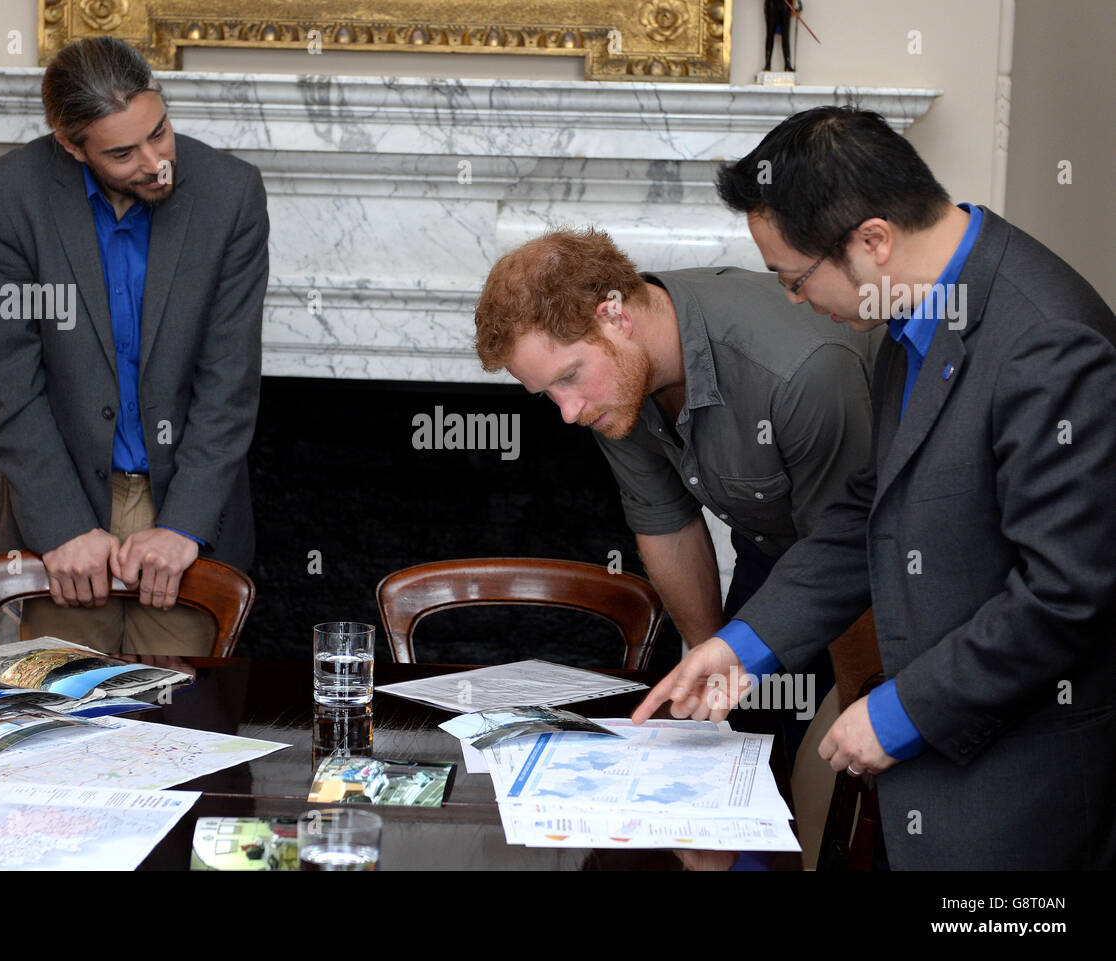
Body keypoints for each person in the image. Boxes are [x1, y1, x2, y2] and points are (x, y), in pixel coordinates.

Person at [634, 105, 1116, 870]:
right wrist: (741, 646)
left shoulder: (1048, 342)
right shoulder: (910, 312)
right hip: (942, 785)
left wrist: (898, 712)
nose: (794, 301)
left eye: (794, 279)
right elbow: (871, 507)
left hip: (1022, 802)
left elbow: (1065, 596)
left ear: (873, 241)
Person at [474, 227, 880, 777]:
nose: (567, 411)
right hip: (775, 550)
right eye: (549, 392)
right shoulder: (616, 381)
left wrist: (865, 712)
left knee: (848, 770)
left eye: (569, 378)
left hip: (882, 568)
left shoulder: (800, 370)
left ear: (615, 315)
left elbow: (853, 560)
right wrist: (708, 664)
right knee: (747, 749)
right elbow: (667, 524)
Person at [0, 36, 269, 655]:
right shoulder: (7, 199)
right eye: (124, 152)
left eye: (160, 132)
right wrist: (66, 527)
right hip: (64, 505)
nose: (157, 161)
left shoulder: (230, 194)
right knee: (62, 724)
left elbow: (228, 379)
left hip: (184, 508)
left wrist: (183, 525)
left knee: (180, 728)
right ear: (72, 145)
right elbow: (8, 380)